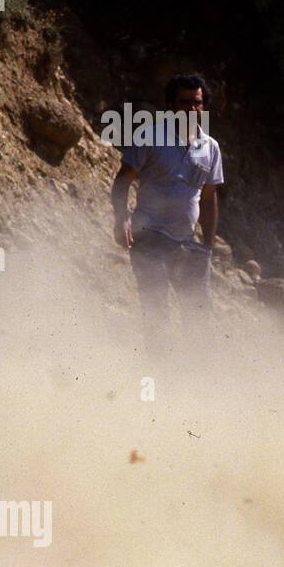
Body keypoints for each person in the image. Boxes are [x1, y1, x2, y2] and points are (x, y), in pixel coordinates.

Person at [110, 73, 225, 358]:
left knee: (197, 313)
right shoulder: (150, 137)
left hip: (187, 243)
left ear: (204, 106)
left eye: (197, 103)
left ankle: (194, 377)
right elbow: (123, 180)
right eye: (184, 102)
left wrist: (207, 247)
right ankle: (159, 374)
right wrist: (121, 219)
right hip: (149, 237)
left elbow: (208, 200)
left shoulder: (210, 147)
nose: (191, 109)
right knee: (156, 307)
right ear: (171, 105)